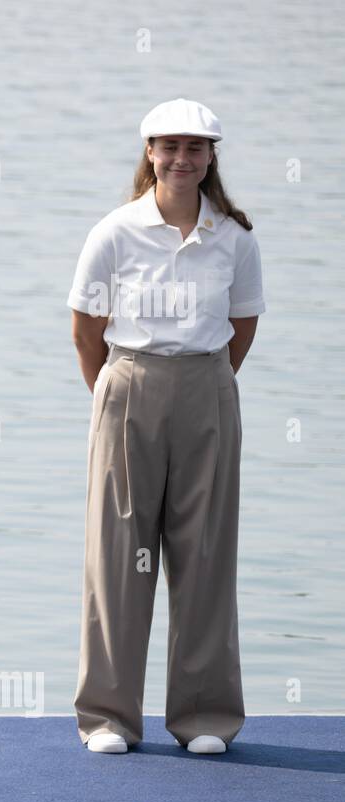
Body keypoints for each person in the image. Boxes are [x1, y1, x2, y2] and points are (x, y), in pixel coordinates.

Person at [68, 98, 264, 755]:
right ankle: (108, 718)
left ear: (211, 158)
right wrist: (120, 394)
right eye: (169, 147)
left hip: (208, 388)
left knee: (205, 553)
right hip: (128, 387)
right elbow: (85, 330)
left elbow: (242, 327)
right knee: (118, 556)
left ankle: (205, 718)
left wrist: (202, 386)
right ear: (149, 152)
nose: (181, 159)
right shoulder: (115, 232)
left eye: (195, 148)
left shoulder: (234, 238)